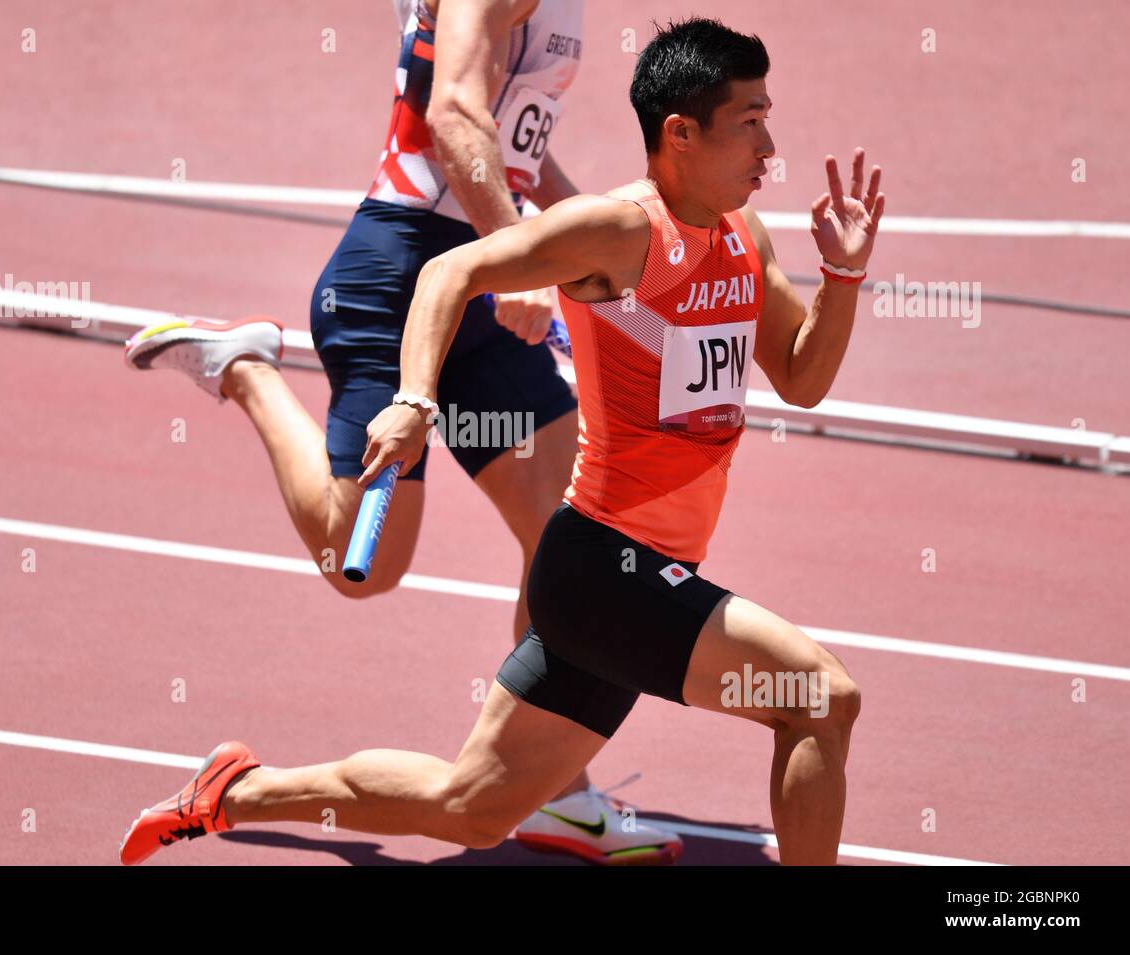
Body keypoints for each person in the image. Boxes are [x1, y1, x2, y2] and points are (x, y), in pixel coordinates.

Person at [120, 15, 884, 867]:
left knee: (470, 806)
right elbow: (452, 269)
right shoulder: (620, 231)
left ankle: (232, 790)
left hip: (632, 577)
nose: (770, 145)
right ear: (681, 133)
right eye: (750, 121)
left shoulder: (747, 239)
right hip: (609, 572)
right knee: (819, 699)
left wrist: (845, 277)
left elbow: (802, 377)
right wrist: (414, 400)